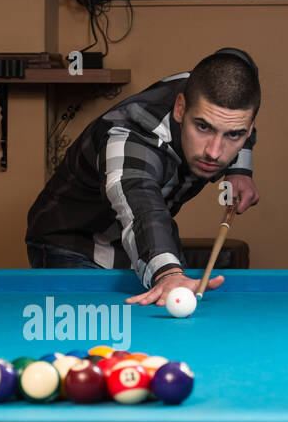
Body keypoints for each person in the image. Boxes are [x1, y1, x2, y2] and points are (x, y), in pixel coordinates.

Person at [25, 48, 261, 307]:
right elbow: (140, 204)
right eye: (203, 127)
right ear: (181, 108)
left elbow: (240, 67)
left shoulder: (222, 96)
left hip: (147, 245)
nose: (214, 153)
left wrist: (239, 170)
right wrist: (169, 273)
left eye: (233, 135)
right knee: (91, 335)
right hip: (74, 243)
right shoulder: (129, 137)